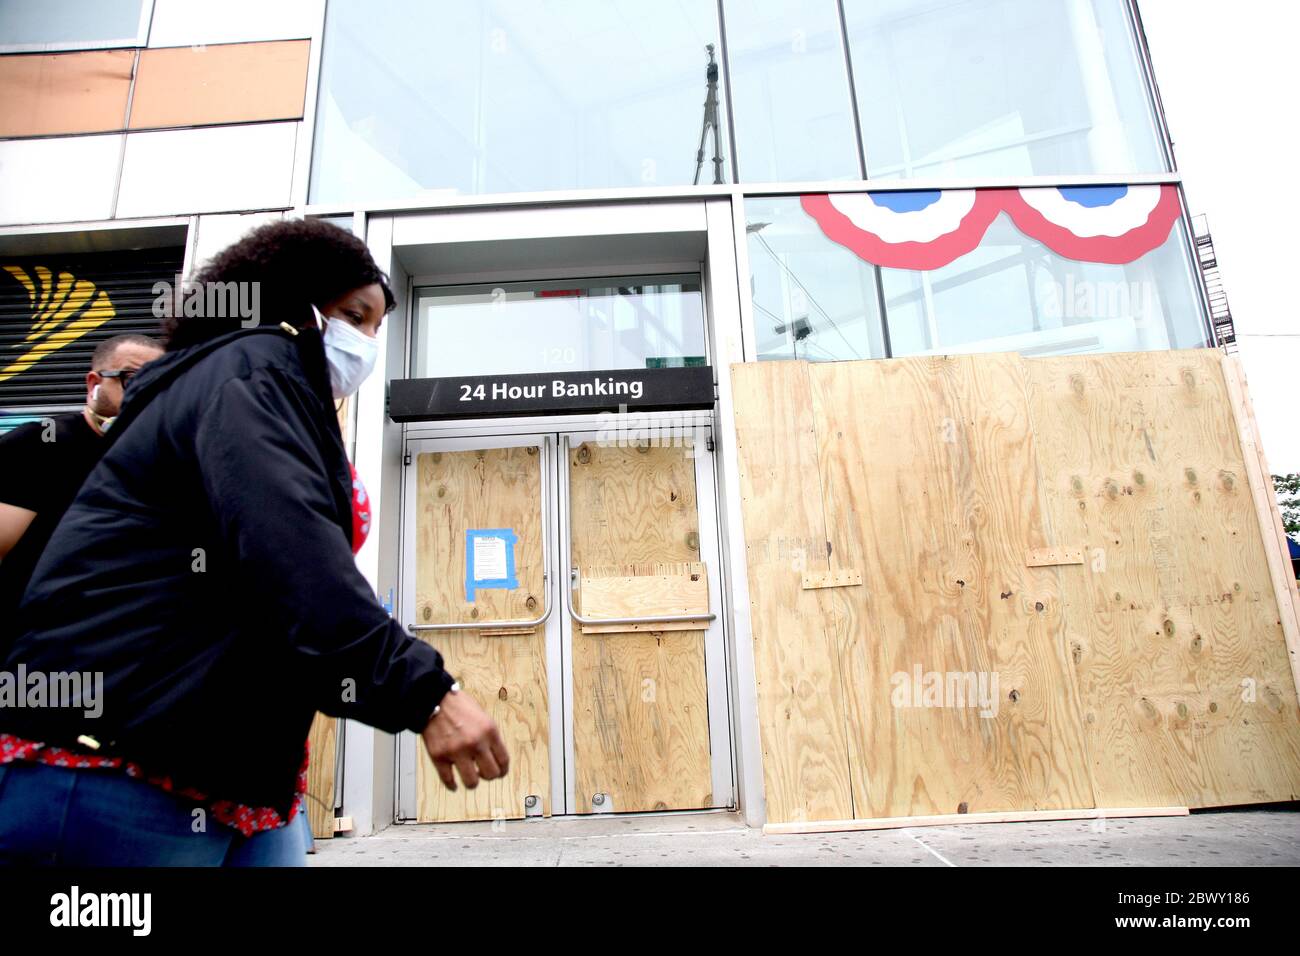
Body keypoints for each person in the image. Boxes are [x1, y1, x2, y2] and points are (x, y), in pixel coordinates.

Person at [0, 219, 507, 866]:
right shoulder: (247, 374)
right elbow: (290, 558)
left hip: (238, 777)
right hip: (121, 765)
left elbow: (282, 597)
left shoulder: (273, 392)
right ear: (291, 300)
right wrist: (425, 694)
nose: (365, 342)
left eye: (377, 327)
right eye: (354, 315)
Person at [0, 334, 163, 631]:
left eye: (160, 384)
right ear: (94, 384)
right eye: (132, 379)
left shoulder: (163, 460)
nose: (145, 395)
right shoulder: (38, 446)